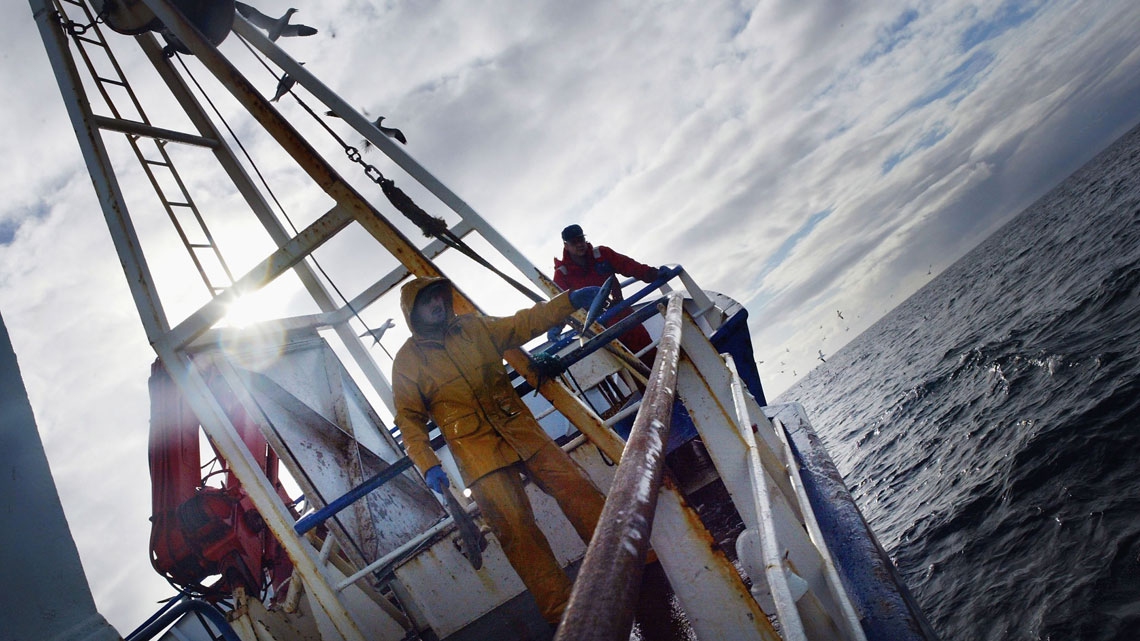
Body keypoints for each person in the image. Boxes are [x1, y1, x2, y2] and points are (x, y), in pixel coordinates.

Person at [392, 276, 607, 627]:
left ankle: (625, 560)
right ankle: (565, 614)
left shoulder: (475, 327)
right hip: (477, 453)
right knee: (517, 532)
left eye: (439, 296)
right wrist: (428, 463)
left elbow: (524, 322)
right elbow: (409, 419)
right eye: (427, 301)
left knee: (577, 489)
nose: (437, 304)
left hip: (520, 431)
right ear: (413, 313)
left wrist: (569, 300)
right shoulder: (406, 362)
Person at [552, 224, 668, 360]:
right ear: (566, 246)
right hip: (597, 330)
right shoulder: (562, 275)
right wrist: (556, 326)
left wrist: (653, 273)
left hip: (623, 314)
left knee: (649, 353)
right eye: (574, 242)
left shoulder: (602, 254)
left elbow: (628, 265)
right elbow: (561, 305)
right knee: (627, 366)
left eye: (581, 239)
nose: (579, 244)